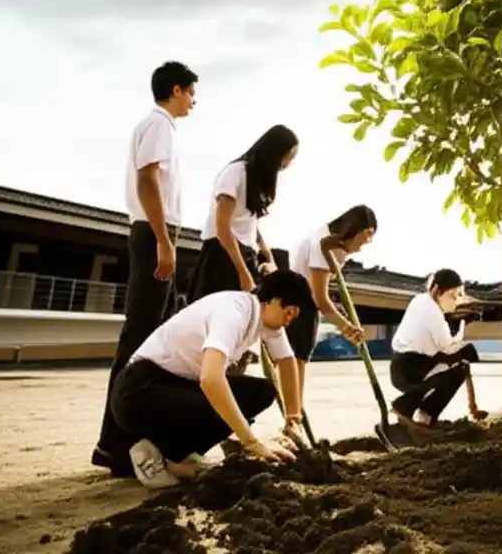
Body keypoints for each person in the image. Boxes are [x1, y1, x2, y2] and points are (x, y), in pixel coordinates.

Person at [110, 269, 311, 488]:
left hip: (177, 385)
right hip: (140, 390)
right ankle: (153, 456)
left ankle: (179, 454)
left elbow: (286, 361)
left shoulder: (266, 319)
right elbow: (211, 379)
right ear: (274, 300)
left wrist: (293, 418)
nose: (289, 320)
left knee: (260, 392)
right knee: (218, 403)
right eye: (289, 313)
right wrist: (252, 442)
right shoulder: (233, 312)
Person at [92, 61, 198, 478]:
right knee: (139, 343)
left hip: (155, 231)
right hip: (152, 232)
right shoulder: (157, 125)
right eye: (191, 92)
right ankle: (113, 445)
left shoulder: (163, 128)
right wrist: (163, 240)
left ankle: (132, 441)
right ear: (176, 90)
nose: (193, 101)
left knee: (153, 343)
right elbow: (147, 182)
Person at [282, 205, 373, 441]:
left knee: (298, 361)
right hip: (299, 303)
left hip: (303, 301)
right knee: (296, 362)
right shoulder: (322, 243)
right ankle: (293, 422)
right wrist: (345, 327)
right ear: (363, 231)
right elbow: (319, 298)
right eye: (365, 240)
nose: (362, 247)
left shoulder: (334, 246)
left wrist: (344, 319)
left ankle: (294, 422)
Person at [190, 125, 299, 300]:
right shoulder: (236, 172)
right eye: (288, 157)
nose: (287, 163)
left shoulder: (257, 181)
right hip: (222, 255)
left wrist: (269, 259)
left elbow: (251, 225)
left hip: (246, 254)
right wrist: (242, 272)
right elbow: (222, 228)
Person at [388, 269, 484, 430]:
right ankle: (408, 408)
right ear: (436, 291)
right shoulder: (433, 313)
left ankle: (420, 415)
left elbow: (436, 338)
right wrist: (461, 325)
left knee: (457, 361)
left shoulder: (419, 301)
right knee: (463, 360)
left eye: (458, 296)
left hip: (400, 366)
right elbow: (447, 346)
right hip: (412, 370)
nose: (456, 301)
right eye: (452, 296)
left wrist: (458, 322)